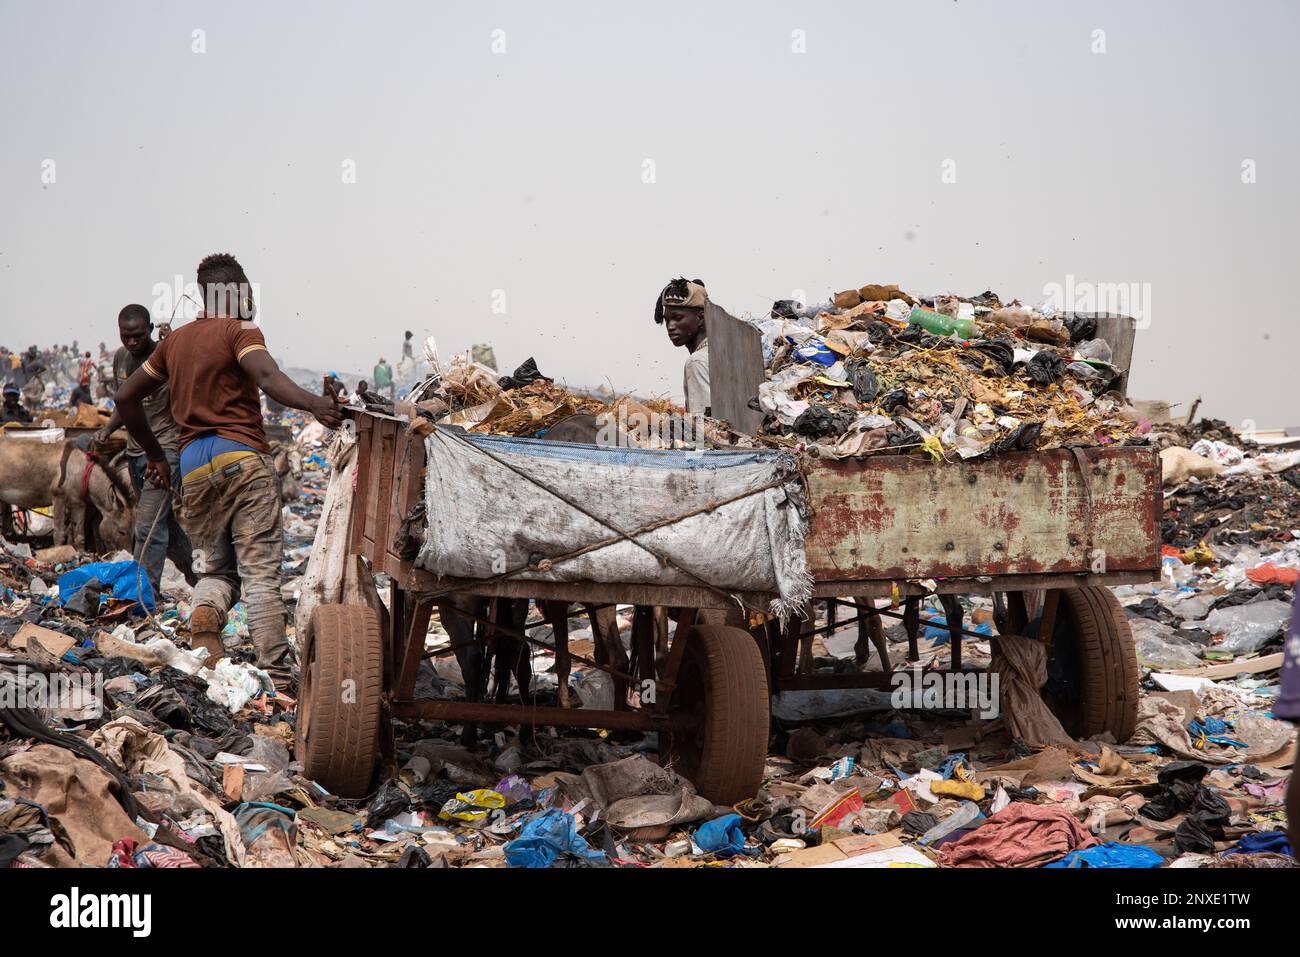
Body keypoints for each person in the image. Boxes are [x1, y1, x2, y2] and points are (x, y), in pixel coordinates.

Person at [116, 252, 342, 689]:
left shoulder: (174, 342)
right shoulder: (239, 331)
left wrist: (157, 457)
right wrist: (316, 404)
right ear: (234, 293)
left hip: (194, 468)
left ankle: (206, 628)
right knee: (259, 571)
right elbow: (268, 376)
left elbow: (126, 398)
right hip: (242, 459)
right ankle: (275, 672)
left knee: (216, 571)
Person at [97, 304, 194, 599]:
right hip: (136, 452)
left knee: (147, 527)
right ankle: (196, 574)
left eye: (138, 335)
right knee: (161, 521)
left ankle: (142, 595)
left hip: (164, 453)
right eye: (126, 336)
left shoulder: (166, 356)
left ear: (150, 330)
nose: (132, 342)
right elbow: (125, 402)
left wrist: (174, 343)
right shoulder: (121, 358)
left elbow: (191, 377)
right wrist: (108, 428)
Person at [654, 277, 710, 415]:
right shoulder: (720, 352)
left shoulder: (697, 361)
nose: (670, 326)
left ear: (700, 318)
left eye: (678, 318)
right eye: (667, 320)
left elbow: (705, 426)